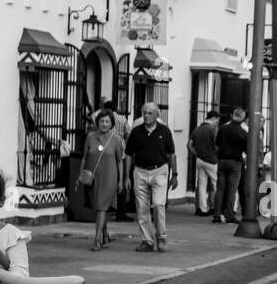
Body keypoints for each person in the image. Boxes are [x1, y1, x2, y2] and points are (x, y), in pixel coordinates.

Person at [124, 102, 177, 252]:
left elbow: (172, 154)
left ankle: (161, 237)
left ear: (157, 115)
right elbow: (128, 154)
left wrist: (175, 175)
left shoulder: (164, 131)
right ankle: (147, 240)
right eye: (144, 113)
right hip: (140, 171)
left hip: (159, 170)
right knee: (142, 207)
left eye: (150, 113)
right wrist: (127, 176)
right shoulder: (136, 132)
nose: (146, 116)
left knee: (158, 204)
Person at [79, 109, 125, 251]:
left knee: (101, 207)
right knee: (99, 207)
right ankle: (105, 234)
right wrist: (81, 175)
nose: (104, 124)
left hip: (109, 177)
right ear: (97, 122)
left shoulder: (116, 140)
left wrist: (121, 180)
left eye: (107, 122)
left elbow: (120, 161)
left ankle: (97, 239)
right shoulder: (90, 137)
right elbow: (85, 157)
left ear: (112, 124)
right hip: (93, 177)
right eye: (101, 121)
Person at [214, 105, 247, 224]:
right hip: (235, 162)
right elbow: (247, 150)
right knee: (232, 190)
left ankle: (217, 214)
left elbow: (217, 145)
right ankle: (229, 215)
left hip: (222, 161)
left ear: (233, 115)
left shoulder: (222, 129)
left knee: (220, 188)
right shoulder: (243, 132)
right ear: (243, 117)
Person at [188, 110, 219, 218]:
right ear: (214, 118)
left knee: (201, 185)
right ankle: (215, 207)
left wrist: (197, 153)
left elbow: (189, 145)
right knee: (216, 184)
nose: (217, 122)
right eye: (217, 120)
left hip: (200, 160)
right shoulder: (213, 130)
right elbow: (217, 145)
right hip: (212, 160)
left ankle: (202, 208)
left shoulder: (197, 129)